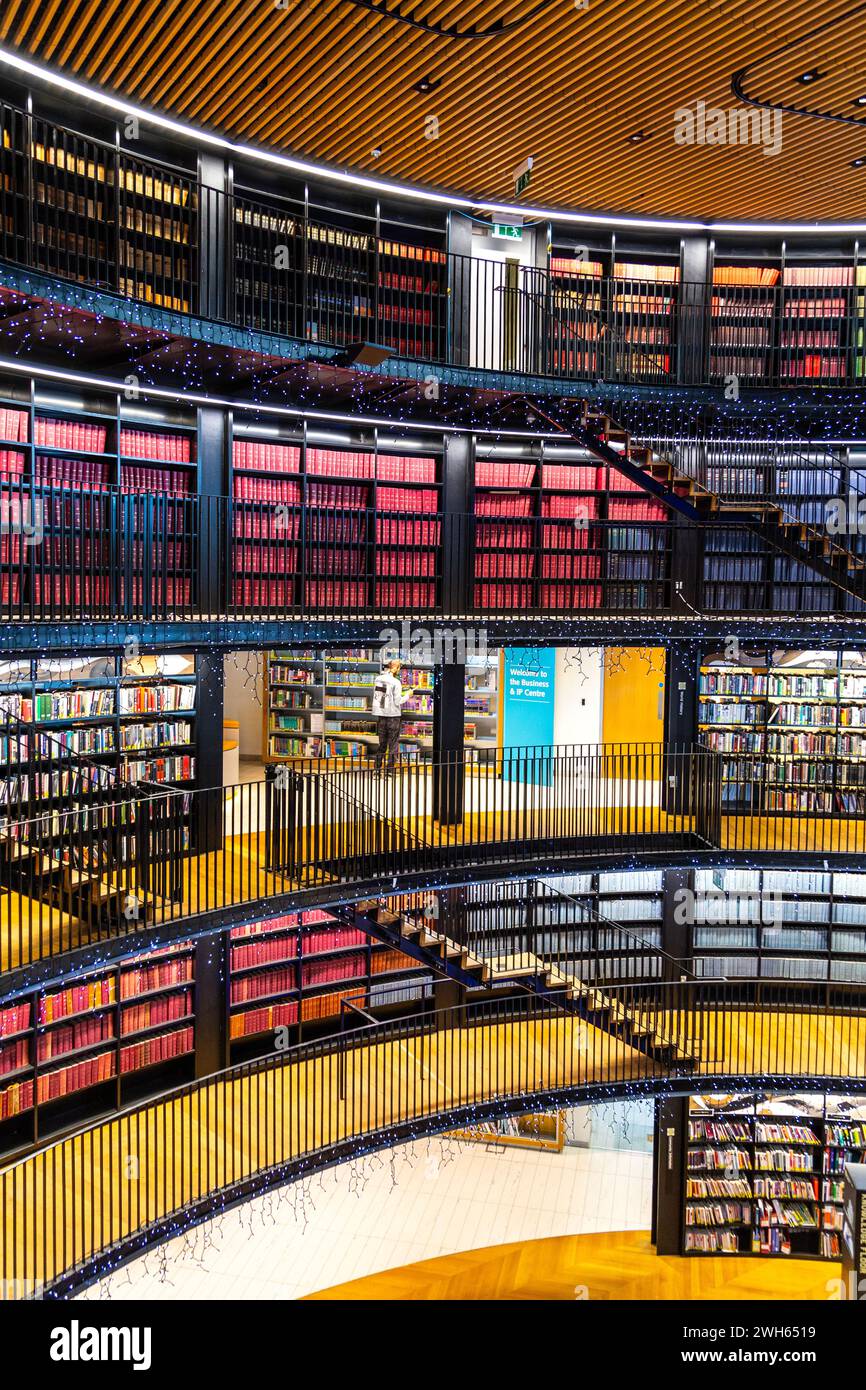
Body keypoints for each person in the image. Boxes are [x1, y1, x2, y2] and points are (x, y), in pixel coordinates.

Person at [372, 659, 414, 774]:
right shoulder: (396, 682)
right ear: (397, 668)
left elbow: (379, 698)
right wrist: (408, 695)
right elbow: (398, 701)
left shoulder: (378, 679)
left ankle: (377, 770)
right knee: (393, 744)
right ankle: (389, 771)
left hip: (381, 716)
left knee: (382, 744)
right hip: (393, 716)